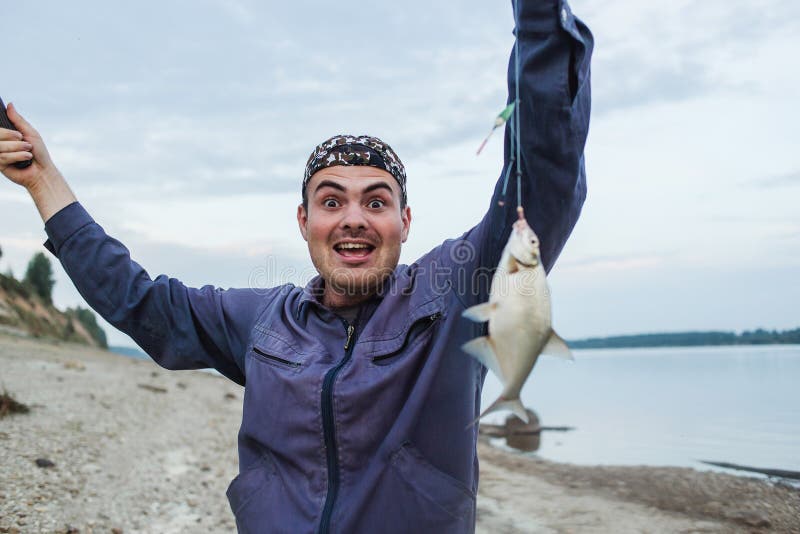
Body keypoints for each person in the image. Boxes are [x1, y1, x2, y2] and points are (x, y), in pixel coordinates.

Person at [0, 1, 592, 532]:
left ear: (405, 223)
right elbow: (141, 302)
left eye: (377, 201)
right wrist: (43, 181)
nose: (353, 218)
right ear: (304, 220)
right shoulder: (262, 320)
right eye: (331, 201)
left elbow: (542, 177)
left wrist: (538, 19)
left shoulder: (452, 293)